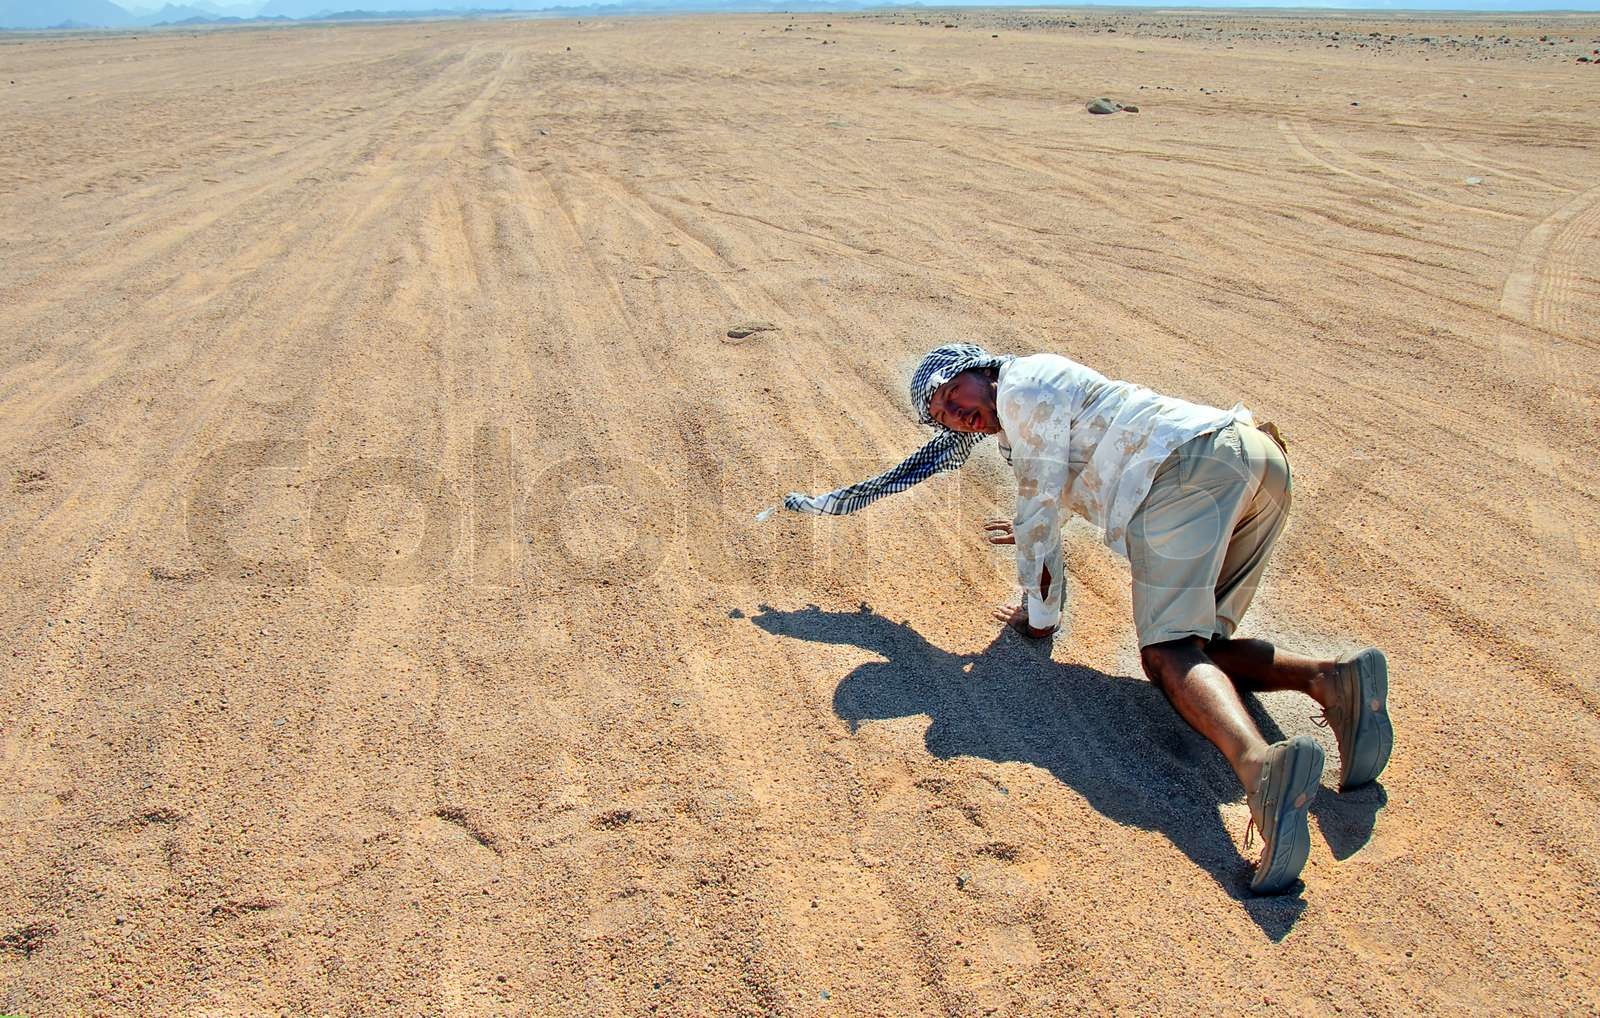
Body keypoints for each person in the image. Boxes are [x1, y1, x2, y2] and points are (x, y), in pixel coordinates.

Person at [783, 343, 1393, 894]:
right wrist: (1042, 523)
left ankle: (1262, 772)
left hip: (1187, 472)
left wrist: (1039, 615)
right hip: (1252, 458)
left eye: (953, 397)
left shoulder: (1022, 390)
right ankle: (1331, 679)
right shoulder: (1039, 391)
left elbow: (1039, 511)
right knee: (1200, 645)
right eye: (944, 418)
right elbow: (1089, 456)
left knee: (1168, 654)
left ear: (977, 369)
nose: (958, 416)